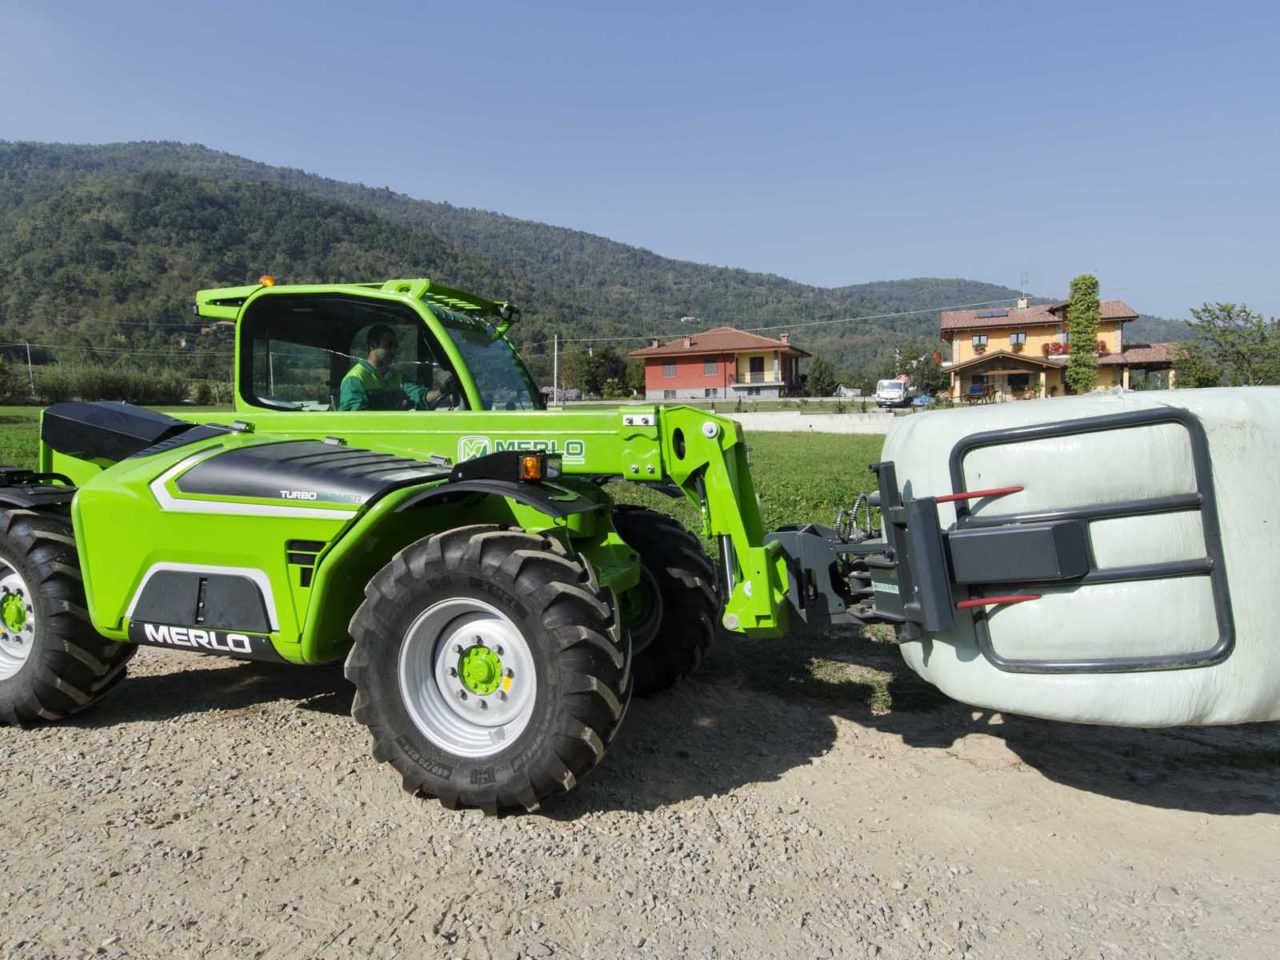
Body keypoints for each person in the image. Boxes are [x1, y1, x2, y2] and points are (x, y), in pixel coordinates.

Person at [339, 325, 455, 411]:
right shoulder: (355, 379)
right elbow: (354, 420)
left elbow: (420, 397)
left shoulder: (396, 378)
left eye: (395, 346)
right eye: (389, 346)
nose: (393, 351)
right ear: (373, 345)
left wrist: (442, 390)